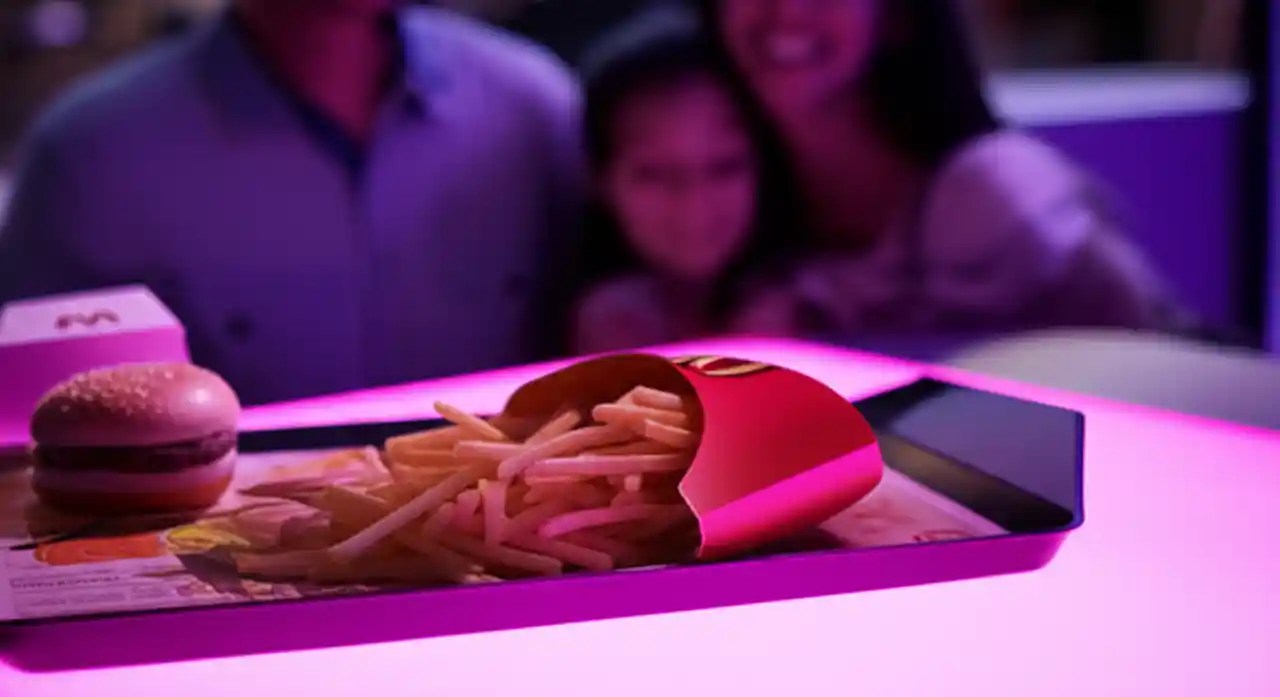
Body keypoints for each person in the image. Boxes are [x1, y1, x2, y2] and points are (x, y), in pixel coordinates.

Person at [0, 0, 583, 404]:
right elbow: (38, 428)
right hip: (214, 557)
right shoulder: (96, 152)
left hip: (503, 546)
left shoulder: (532, 106)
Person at [698, 0, 1183, 338]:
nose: (788, 11)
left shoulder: (993, 196)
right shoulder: (702, 175)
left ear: (895, 17)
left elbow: (1154, 358)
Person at [571, 8, 798, 354]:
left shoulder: (826, 299)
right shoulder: (600, 316)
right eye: (656, 175)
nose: (695, 204)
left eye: (725, 167)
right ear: (599, 178)